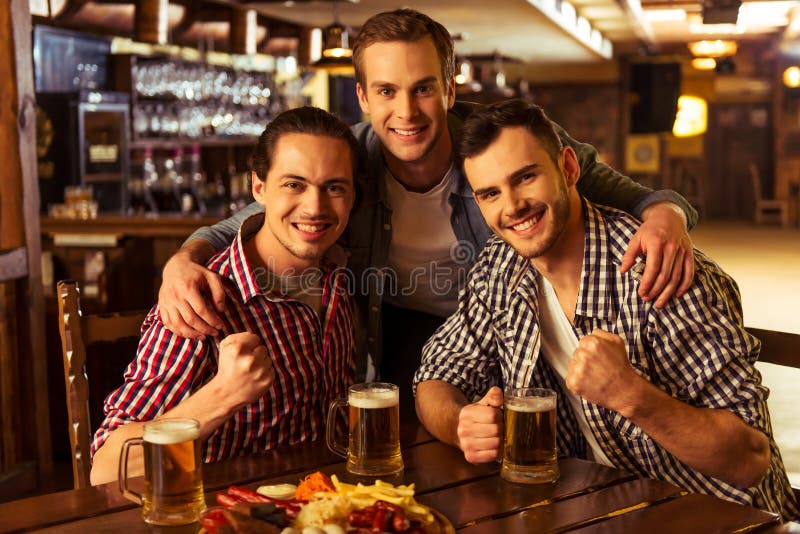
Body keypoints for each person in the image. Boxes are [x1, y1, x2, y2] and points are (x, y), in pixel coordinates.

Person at [156, 9, 698, 409]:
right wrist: (186, 257)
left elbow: (630, 195)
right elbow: (257, 216)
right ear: (364, 98)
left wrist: (668, 216)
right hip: (396, 343)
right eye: (387, 91)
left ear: (449, 88)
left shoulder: (500, 146)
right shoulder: (348, 161)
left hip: (508, 345)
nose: (406, 112)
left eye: (422, 89)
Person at [413, 100, 798, 520]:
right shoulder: (499, 266)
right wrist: (460, 423)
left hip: (720, 518)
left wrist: (631, 395)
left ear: (569, 167)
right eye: (490, 194)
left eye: (525, 177)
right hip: (599, 511)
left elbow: (750, 459)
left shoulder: (657, 272)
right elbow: (436, 375)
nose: (513, 207)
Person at [90, 107, 360, 485]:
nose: (315, 208)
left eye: (333, 187)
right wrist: (223, 394)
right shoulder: (202, 300)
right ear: (259, 187)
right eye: (294, 185)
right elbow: (106, 468)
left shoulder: (337, 277)